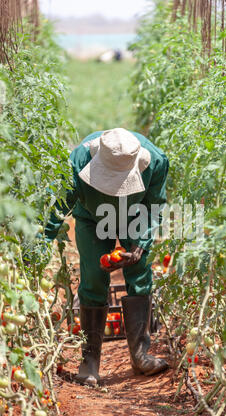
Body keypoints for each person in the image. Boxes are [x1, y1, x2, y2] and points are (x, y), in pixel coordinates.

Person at [45, 128, 169, 386]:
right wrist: (39, 243)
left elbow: (154, 207)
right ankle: (90, 361)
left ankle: (140, 354)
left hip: (134, 217)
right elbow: (57, 208)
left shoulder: (155, 162)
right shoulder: (78, 162)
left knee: (140, 272)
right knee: (92, 276)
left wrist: (141, 245)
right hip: (91, 218)